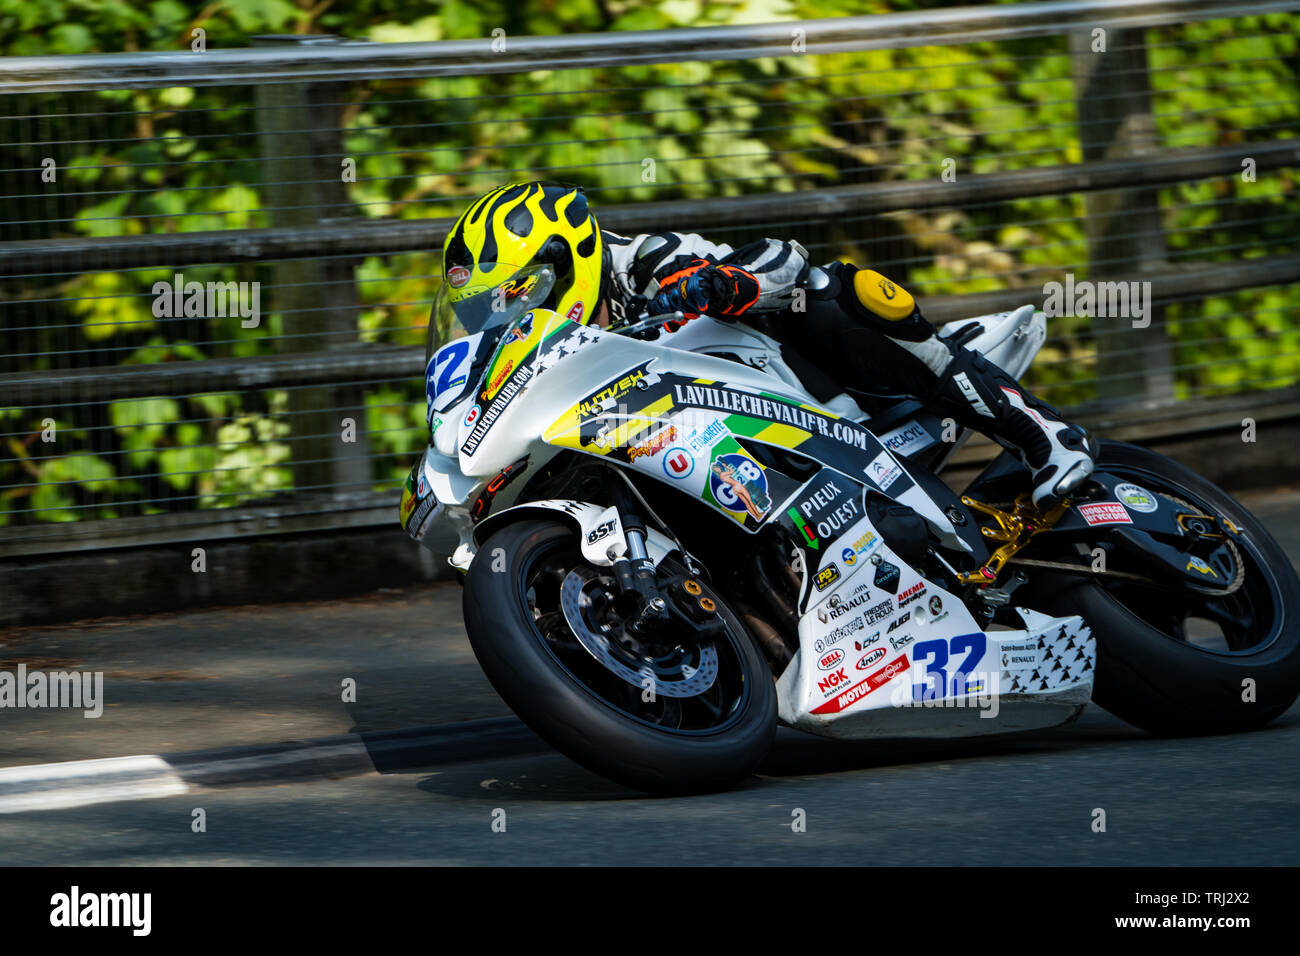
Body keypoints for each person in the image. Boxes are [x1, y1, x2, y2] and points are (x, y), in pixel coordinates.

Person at [441, 181, 1094, 509]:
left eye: (518, 293)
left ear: (566, 256)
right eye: (486, 311)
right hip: (715, 466)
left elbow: (784, 261)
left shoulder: (648, 262)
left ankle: (1039, 429)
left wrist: (723, 283)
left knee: (833, 289)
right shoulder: (541, 356)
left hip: (825, 405)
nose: (506, 316)